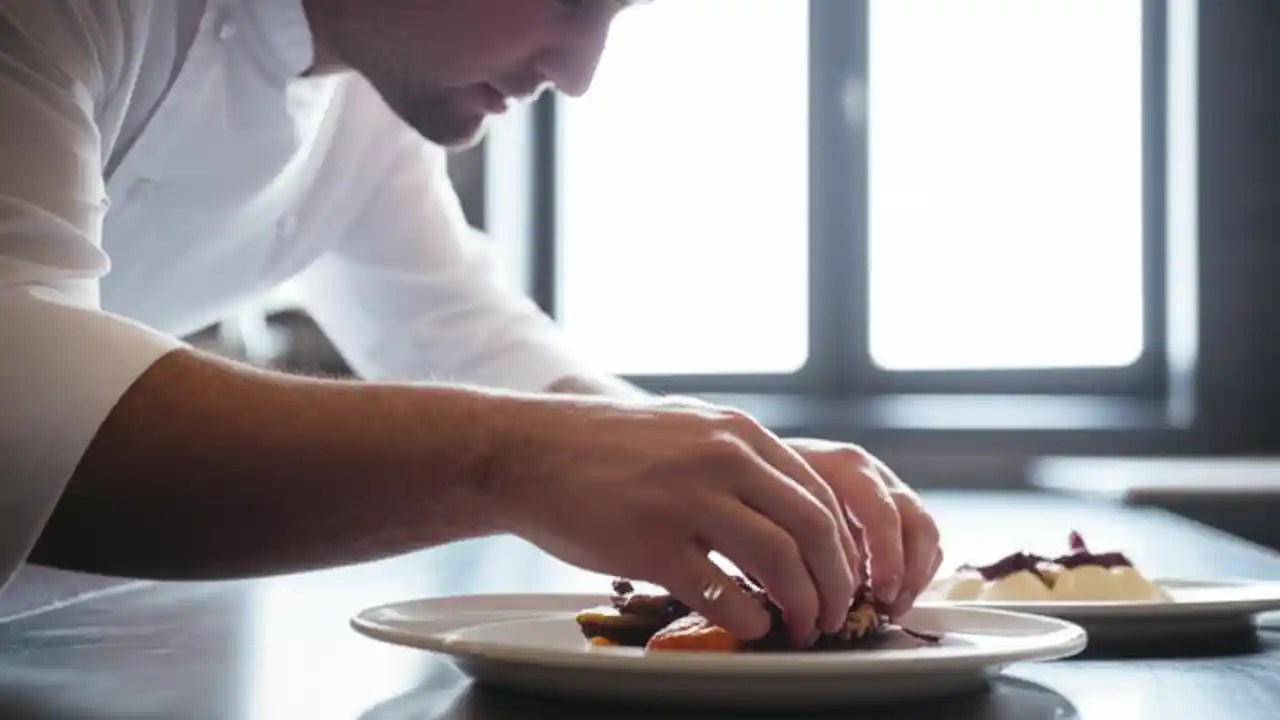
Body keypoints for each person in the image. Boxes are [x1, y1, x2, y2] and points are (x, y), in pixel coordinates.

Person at [0, 0, 940, 646]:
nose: (579, 75)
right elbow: (16, 385)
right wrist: (513, 461)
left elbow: (466, 333)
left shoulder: (357, 111)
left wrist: (733, 479)